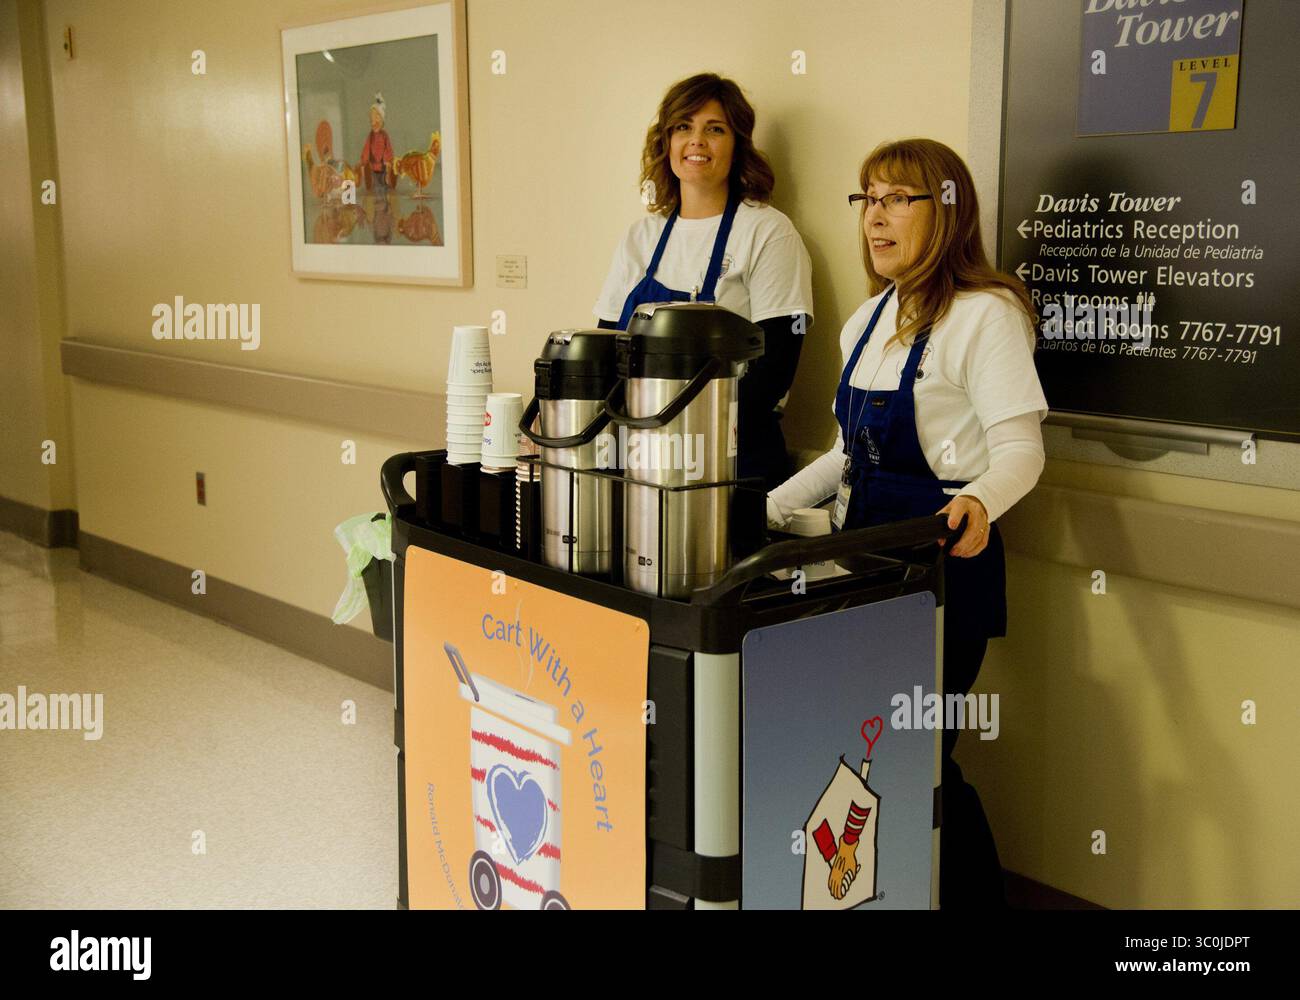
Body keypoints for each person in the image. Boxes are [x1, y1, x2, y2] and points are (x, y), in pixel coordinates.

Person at [767, 138, 1048, 908]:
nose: (875, 217)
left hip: (943, 568)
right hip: (858, 565)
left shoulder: (986, 316)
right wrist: (767, 506)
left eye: (897, 198)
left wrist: (981, 502)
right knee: (865, 753)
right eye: (867, 199)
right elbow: (844, 457)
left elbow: (1022, 451)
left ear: (947, 211)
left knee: (923, 754)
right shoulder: (865, 319)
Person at [593, 73, 814, 490]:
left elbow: (775, 371)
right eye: (683, 127)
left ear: (738, 145)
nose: (696, 141)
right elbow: (606, 349)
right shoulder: (641, 236)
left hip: (732, 458)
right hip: (638, 454)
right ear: (667, 143)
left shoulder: (767, 232)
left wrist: (682, 434)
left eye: (715, 129)